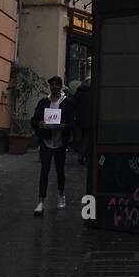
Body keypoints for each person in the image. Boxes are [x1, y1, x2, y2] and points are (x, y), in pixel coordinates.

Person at [32, 76, 76, 214]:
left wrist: (65, 126)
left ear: (61, 86)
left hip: (60, 142)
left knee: (60, 170)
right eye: (53, 84)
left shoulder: (67, 103)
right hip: (46, 141)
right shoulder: (44, 102)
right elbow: (34, 120)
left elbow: (73, 122)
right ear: (50, 86)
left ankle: (61, 194)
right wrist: (39, 124)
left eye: (58, 84)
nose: (55, 87)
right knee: (44, 171)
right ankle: (40, 201)